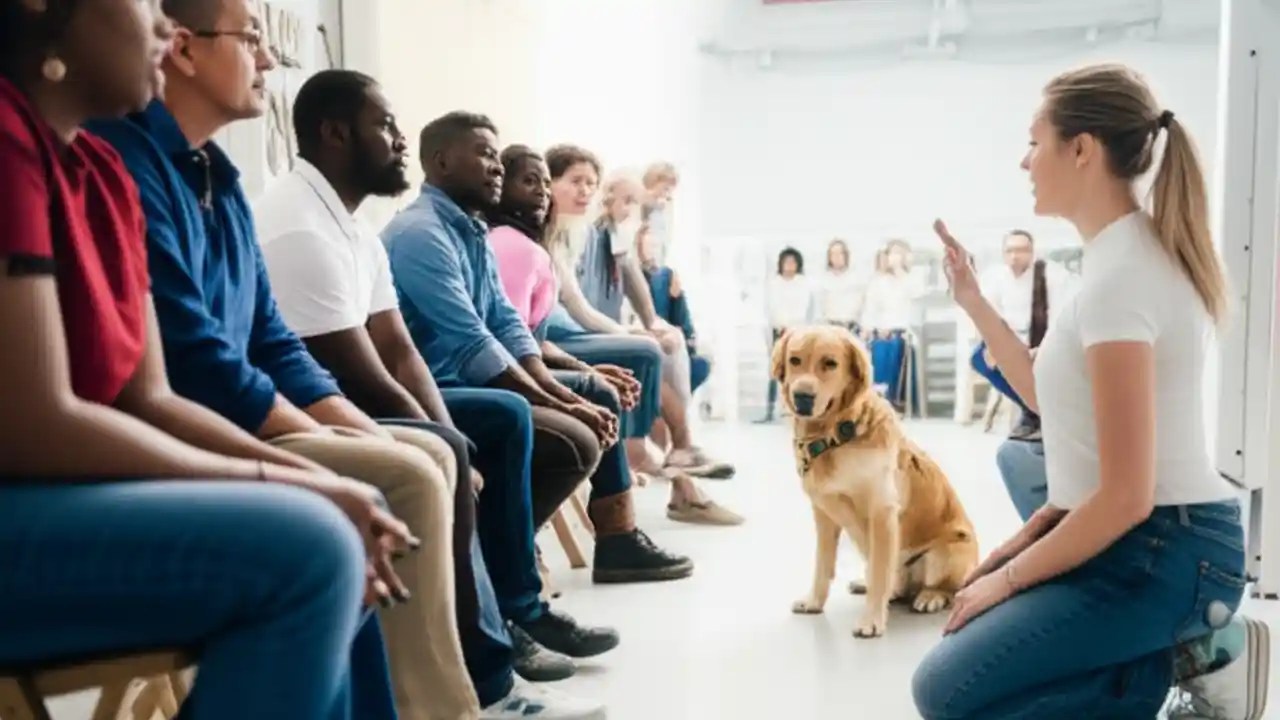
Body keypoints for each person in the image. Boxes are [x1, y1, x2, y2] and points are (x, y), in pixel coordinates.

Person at [0, 2, 410, 718]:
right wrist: (285, 478)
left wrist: (311, 476)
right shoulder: (8, 143)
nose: (163, 30)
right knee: (312, 548)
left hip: (61, 490)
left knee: (347, 506)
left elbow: (148, 397)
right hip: (23, 494)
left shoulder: (100, 168)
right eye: (145, 6)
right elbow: (35, 423)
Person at [87, 3, 480, 718]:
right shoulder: (127, 161)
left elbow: (273, 343)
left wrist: (353, 432)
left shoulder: (218, 177)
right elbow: (196, 361)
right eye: (253, 40)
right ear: (184, 50)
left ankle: (438, 689)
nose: (270, 61)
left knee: (417, 453)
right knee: (402, 478)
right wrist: (321, 450)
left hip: (226, 411)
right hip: (186, 428)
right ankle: (441, 707)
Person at [913, 63, 1270, 720]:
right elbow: (1056, 403)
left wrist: (1009, 579)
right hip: (1159, 531)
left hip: (1171, 546)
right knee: (1018, 460)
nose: (1024, 161)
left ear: (1080, 149)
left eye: (1034, 141)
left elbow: (1127, 498)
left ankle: (1194, 660)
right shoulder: (1115, 257)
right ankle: (1166, 645)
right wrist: (974, 302)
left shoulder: (1122, 278)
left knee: (947, 692)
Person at [254, 71, 611, 718]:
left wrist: (448, 432)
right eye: (384, 126)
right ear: (336, 134)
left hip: (353, 392)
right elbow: (354, 368)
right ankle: (489, 678)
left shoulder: (357, 227)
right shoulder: (303, 222)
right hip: (307, 411)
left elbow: (399, 350)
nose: (397, 139)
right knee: (448, 449)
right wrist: (448, 443)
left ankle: (507, 606)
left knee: (491, 424)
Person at [382, 111, 695, 584]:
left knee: (595, 396)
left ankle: (604, 540)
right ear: (442, 162)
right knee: (566, 426)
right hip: (440, 383)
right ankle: (508, 573)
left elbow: (510, 327)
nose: (495, 168)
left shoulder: (474, 232)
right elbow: (474, 342)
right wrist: (561, 395)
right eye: (487, 157)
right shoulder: (424, 234)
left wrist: (574, 384)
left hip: (473, 374)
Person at [544, 148, 735, 485]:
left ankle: (675, 451)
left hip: (578, 328)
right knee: (646, 352)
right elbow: (577, 304)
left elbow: (626, 275)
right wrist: (630, 332)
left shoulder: (577, 231)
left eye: (590, 182)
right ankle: (653, 451)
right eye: (576, 181)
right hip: (563, 335)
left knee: (667, 343)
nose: (586, 190)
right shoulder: (575, 232)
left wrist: (650, 323)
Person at [635, 223, 712, 394]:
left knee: (701, 364)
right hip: (648, 329)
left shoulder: (664, 275)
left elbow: (680, 315)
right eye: (646, 244)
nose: (651, 249)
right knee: (663, 275)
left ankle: (686, 341)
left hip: (666, 330)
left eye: (653, 245)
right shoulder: (638, 272)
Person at [861, 239, 926, 413]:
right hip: (880, 332)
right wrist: (872, 328)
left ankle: (893, 397)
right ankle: (880, 396)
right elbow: (870, 310)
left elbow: (914, 304)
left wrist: (900, 271)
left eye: (900, 253)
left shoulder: (912, 280)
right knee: (880, 345)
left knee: (895, 344)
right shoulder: (878, 282)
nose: (895, 257)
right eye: (892, 253)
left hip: (903, 332)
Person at [758, 246, 812, 423]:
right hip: (777, 332)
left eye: (792, 262)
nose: (789, 266)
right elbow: (771, 308)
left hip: (797, 333)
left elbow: (802, 308)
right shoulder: (773, 283)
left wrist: (792, 327)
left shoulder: (803, 283)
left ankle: (795, 408)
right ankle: (770, 409)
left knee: (796, 371)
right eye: (786, 262)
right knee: (776, 371)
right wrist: (780, 326)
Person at [815, 238, 865, 334]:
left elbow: (863, 306)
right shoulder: (823, 280)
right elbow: (819, 309)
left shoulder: (857, 278)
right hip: (830, 329)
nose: (837, 257)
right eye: (833, 254)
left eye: (840, 253)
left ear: (846, 255)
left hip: (852, 329)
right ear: (829, 257)